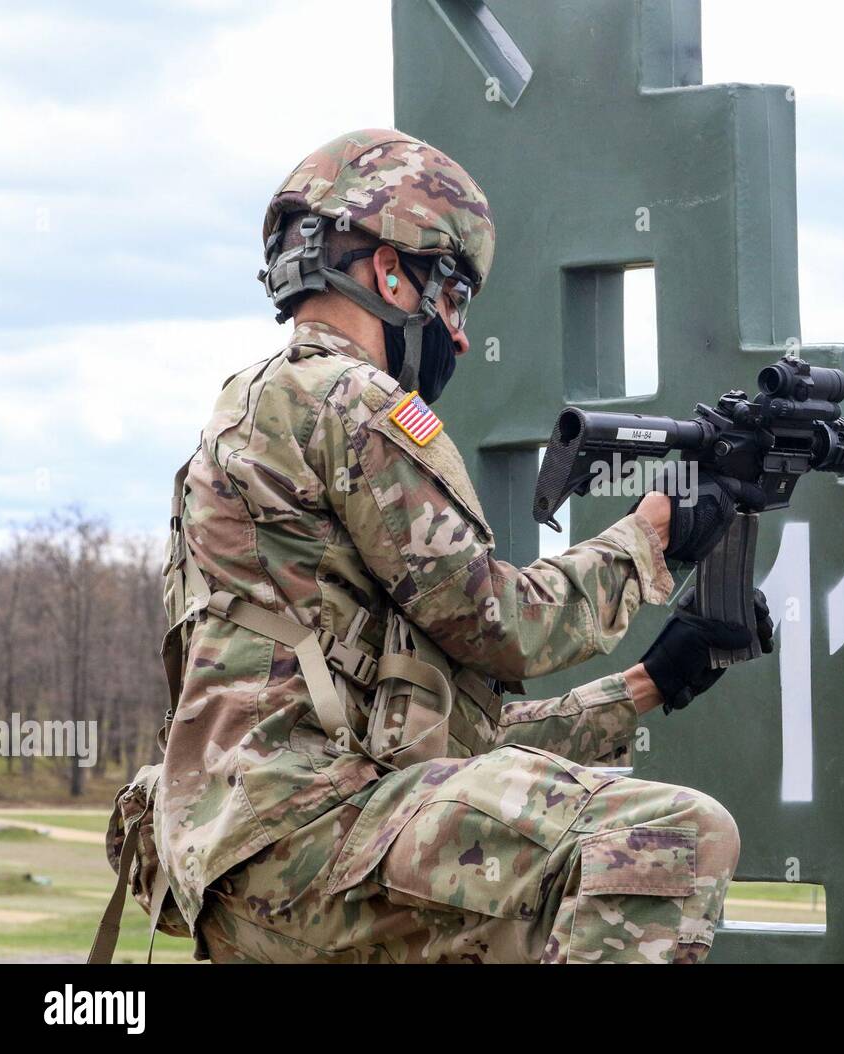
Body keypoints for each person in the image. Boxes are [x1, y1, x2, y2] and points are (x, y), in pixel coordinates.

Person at [152, 128, 772, 963]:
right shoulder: (349, 398)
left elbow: (452, 742)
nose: (464, 338)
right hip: (308, 844)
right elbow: (499, 623)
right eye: (455, 301)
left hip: (258, 866)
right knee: (670, 835)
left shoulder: (242, 427)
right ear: (391, 273)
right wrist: (650, 540)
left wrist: (647, 685)